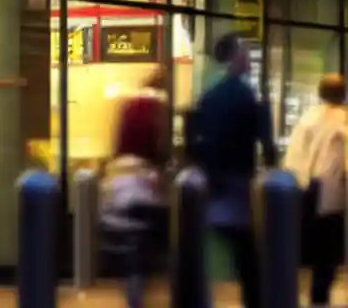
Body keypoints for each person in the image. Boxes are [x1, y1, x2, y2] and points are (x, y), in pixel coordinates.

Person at [188, 33, 276, 308]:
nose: (249, 59)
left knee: (206, 246)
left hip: (212, 182)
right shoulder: (243, 93)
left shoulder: (207, 95)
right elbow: (264, 137)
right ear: (234, 57)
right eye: (244, 53)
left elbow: (195, 137)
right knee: (246, 251)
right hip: (235, 182)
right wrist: (271, 165)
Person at [102, 68, 170, 308]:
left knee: (132, 253)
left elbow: (117, 145)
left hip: (120, 183)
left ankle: (136, 294)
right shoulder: (158, 109)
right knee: (148, 249)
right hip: (143, 185)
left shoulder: (129, 105)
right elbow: (158, 147)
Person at [283, 73, 347, 307]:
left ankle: (302, 294)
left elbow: (292, 158)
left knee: (305, 249)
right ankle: (319, 297)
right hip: (330, 193)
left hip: (304, 188)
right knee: (327, 254)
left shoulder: (306, 118)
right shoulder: (343, 120)